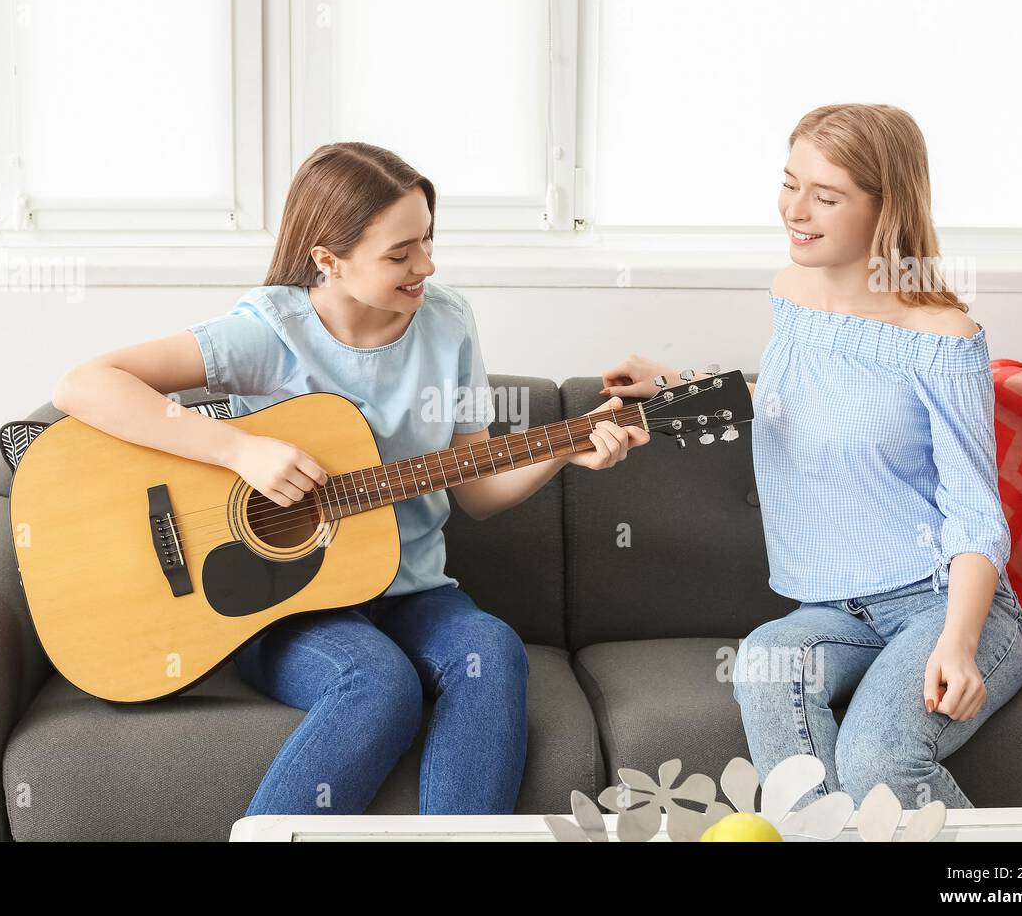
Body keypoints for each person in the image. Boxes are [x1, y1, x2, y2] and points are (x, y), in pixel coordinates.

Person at [53, 141, 649, 816]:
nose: (425, 265)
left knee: (493, 650)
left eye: (427, 239)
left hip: (413, 592)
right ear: (328, 261)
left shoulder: (448, 323)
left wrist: (566, 449)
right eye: (399, 254)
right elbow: (84, 383)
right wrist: (236, 451)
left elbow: (477, 492)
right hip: (283, 607)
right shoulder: (268, 334)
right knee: (378, 680)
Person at [600, 105, 1022, 809]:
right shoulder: (793, 291)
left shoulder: (943, 337)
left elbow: (977, 512)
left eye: (826, 197)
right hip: (833, 608)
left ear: (885, 206)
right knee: (765, 663)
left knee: (878, 759)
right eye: (789, 183)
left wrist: (958, 641)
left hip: (943, 604)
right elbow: (791, 397)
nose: (795, 211)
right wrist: (677, 391)